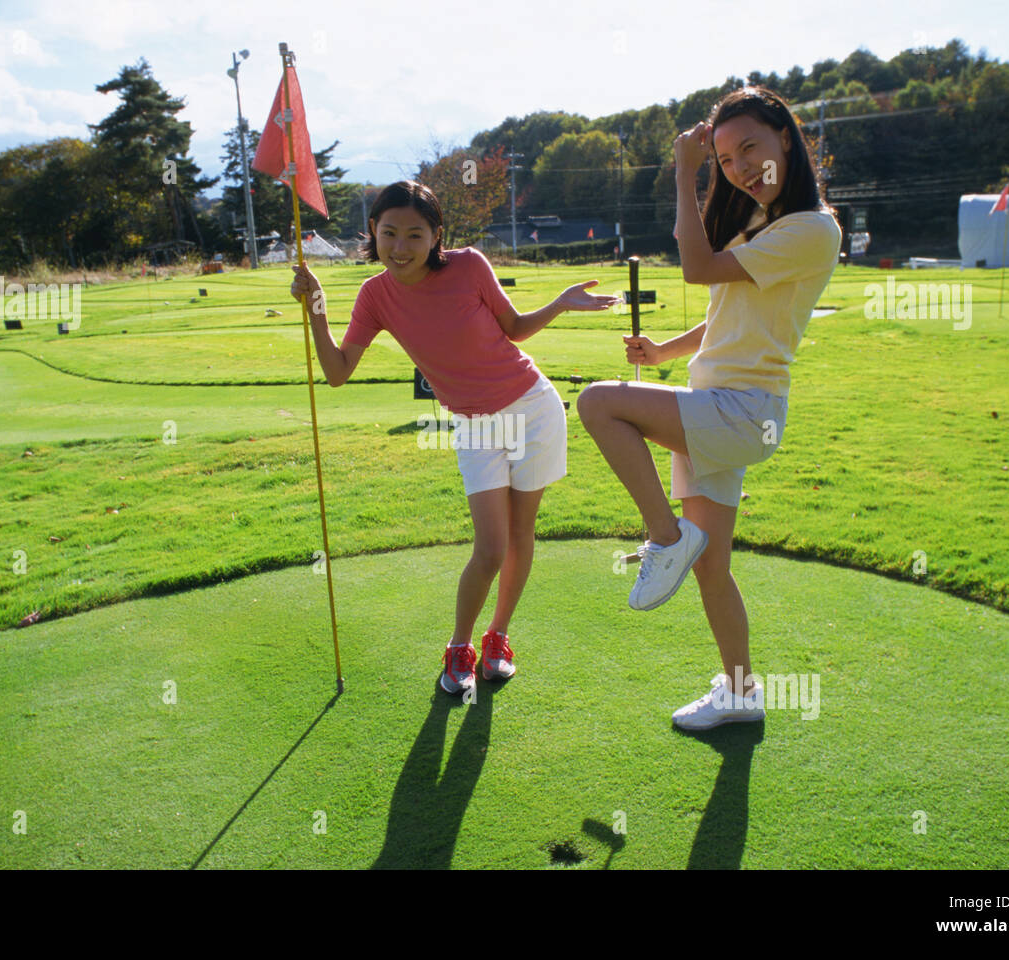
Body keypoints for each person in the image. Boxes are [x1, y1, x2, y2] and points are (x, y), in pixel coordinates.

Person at [576, 86, 842, 731]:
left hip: (743, 412)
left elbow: (695, 268)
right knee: (714, 568)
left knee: (598, 406)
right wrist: (665, 351)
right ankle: (741, 691)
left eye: (749, 146)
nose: (740, 166)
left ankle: (666, 539)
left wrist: (685, 172)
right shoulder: (759, 223)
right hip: (716, 409)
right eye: (724, 159)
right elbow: (727, 316)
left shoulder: (811, 228)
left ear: (785, 136)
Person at [291, 180, 620, 697]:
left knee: (520, 535)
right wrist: (316, 308)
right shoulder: (375, 295)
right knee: (490, 548)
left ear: (436, 236)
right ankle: (460, 646)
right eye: (389, 233)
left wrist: (559, 302)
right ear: (373, 232)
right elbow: (337, 372)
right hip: (475, 425)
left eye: (415, 235)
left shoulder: (468, 266)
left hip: (533, 408)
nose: (400, 247)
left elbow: (512, 327)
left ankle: (498, 639)